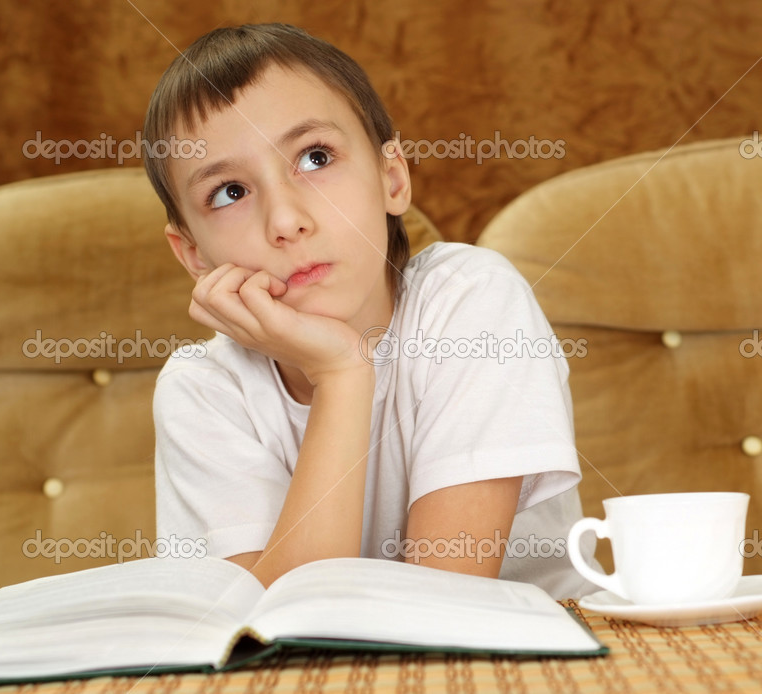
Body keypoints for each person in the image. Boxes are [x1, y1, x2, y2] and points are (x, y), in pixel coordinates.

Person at [143, 23, 593, 598]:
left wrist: (338, 372)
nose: (286, 222)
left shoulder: (472, 303)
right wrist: (343, 375)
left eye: (315, 157)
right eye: (231, 192)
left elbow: (444, 606)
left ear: (392, 177)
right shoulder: (202, 394)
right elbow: (281, 631)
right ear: (193, 254)